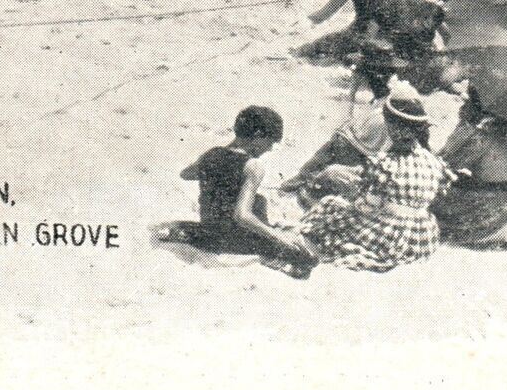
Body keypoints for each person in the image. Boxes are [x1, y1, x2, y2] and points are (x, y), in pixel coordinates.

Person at [299, 95, 456, 272]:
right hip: (421, 236)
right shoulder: (434, 162)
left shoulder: (385, 163)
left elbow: (367, 206)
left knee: (328, 205)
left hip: (388, 235)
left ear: (392, 127)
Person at [166, 106, 317, 276]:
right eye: (270, 142)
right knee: (306, 257)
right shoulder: (253, 166)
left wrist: (221, 158)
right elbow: (242, 215)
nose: (269, 148)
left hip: (210, 228)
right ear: (258, 136)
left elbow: (186, 174)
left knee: (257, 200)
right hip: (233, 238)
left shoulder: (212, 154)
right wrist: (277, 236)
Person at [432, 93, 507, 248]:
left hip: (490, 205)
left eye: (468, 103)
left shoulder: (480, 138)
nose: (463, 107)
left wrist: (461, 129)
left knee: (440, 188)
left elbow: (445, 163)